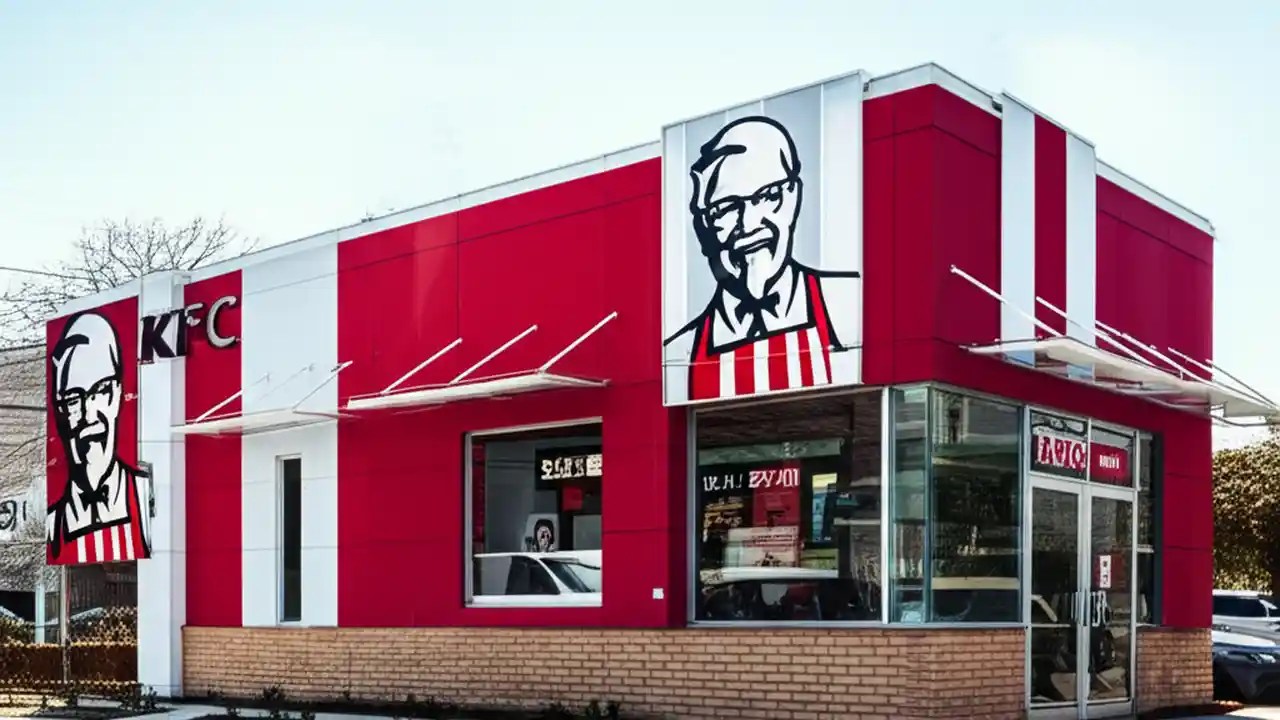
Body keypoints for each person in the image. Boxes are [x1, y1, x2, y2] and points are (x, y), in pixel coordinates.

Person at [664, 116, 858, 401]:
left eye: (768, 195)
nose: (750, 223)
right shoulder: (679, 354)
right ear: (703, 226)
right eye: (726, 207)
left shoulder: (847, 306)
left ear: (794, 198)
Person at [46, 312, 152, 564]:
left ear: (117, 395)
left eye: (101, 390)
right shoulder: (52, 526)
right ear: (59, 412)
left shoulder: (146, 499)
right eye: (73, 399)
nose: (89, 415)